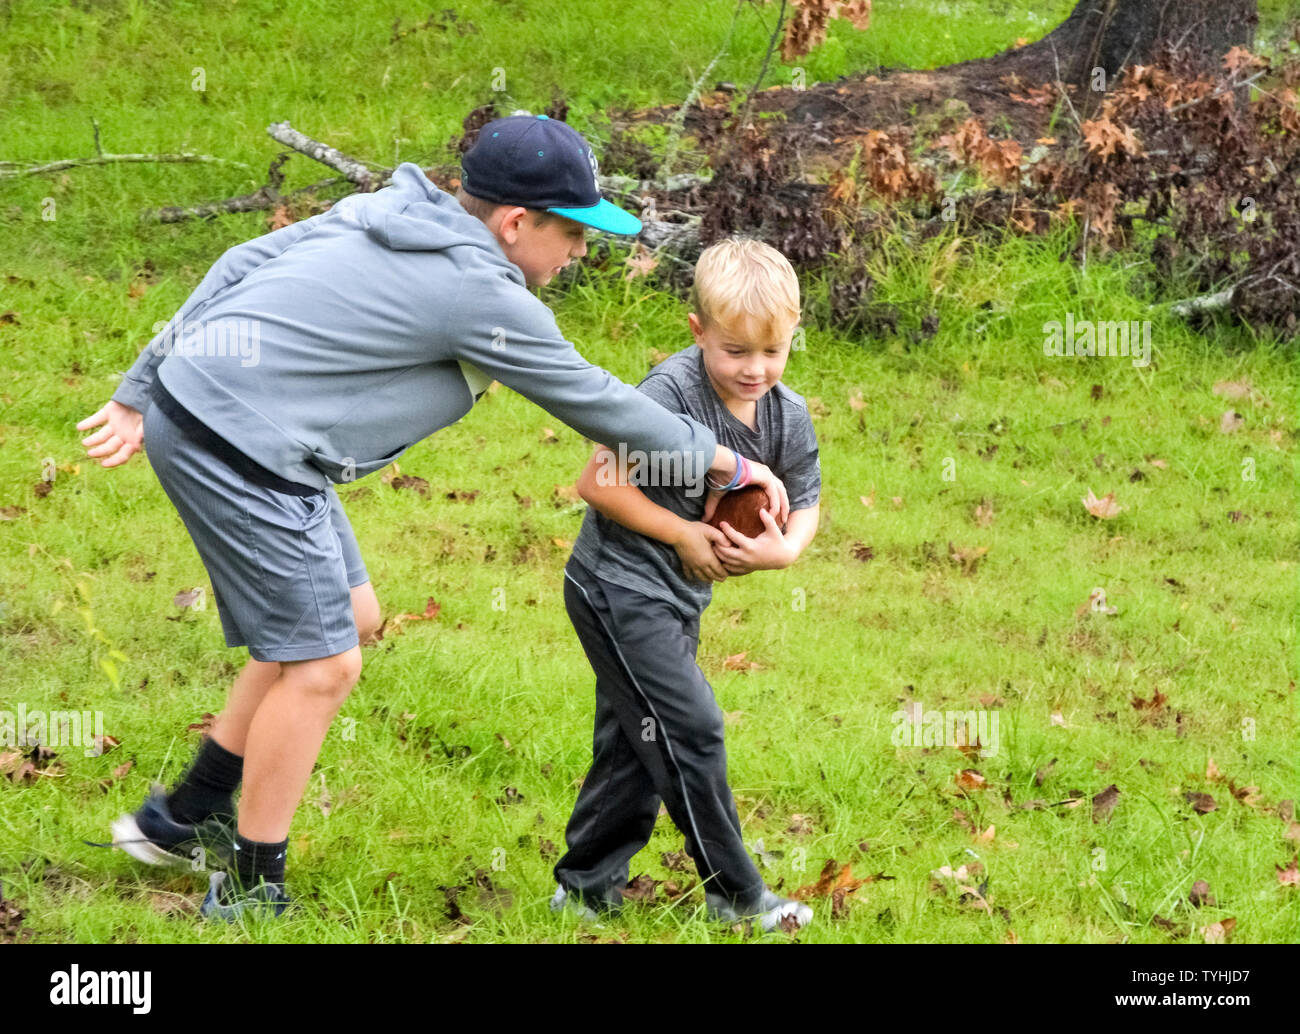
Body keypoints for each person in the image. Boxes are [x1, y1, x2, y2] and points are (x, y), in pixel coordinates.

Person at [76, 114, 790, 921]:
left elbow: (242, 261)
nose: (582, 251)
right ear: (516, 225)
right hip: (241, 447)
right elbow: (598, 402)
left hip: (223, 421)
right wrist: (731, 463)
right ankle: (248, 889)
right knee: (322, 666)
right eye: (574, 232)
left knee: (349, 617)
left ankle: (183, 817)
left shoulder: (394, 209)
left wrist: (142, 388)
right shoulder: (480, 293)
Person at [552, 237, 822, 933]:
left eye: (773, 351)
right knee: (690, 729)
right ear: (698, 331)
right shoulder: (668, 395)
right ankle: (735, 893)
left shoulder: (786, 414)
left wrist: (783, 552)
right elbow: (596, 483)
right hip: (615, 586)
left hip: (678, 597)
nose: (755, 369)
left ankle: (584, 886)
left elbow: (808, 498)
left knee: (634, 740)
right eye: (735, 352)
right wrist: (680, 534)